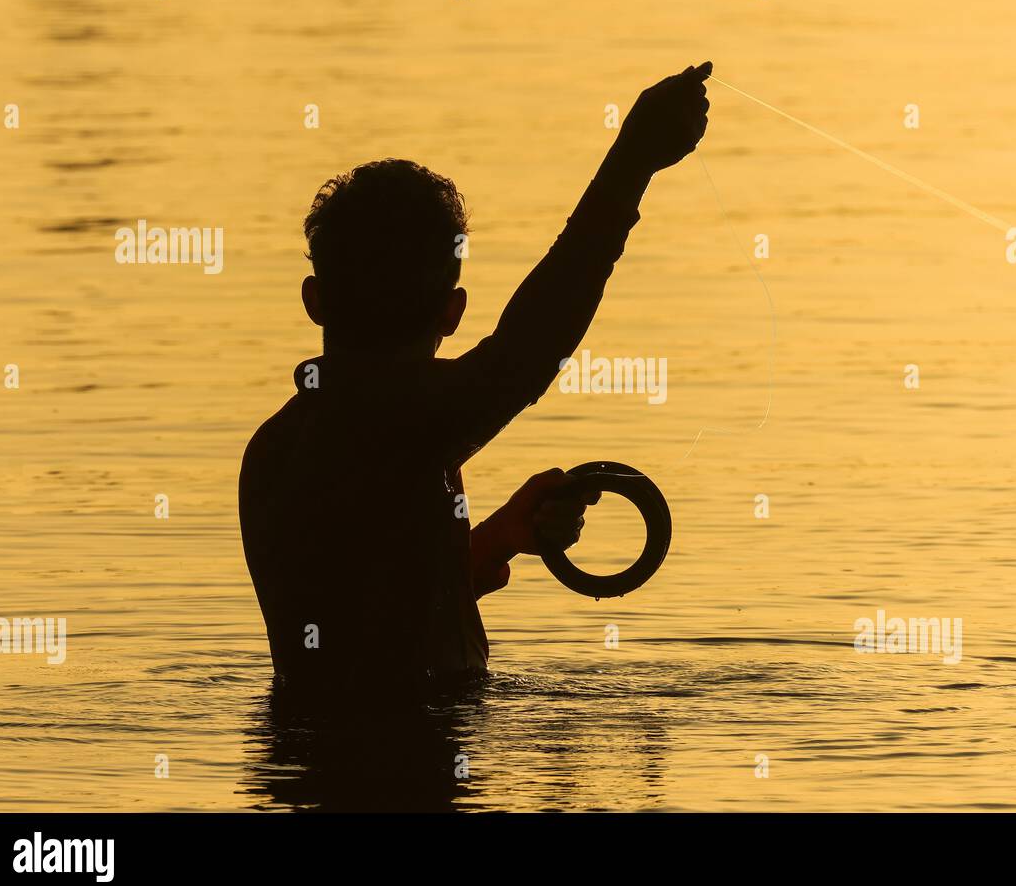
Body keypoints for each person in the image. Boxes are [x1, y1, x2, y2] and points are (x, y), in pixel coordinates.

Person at [239, 62, 712, 701]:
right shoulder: (413, 423)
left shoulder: (273, 448)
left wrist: (501, 537)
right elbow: (530, 346)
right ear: (452, 314)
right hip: (412, 760)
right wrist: (632, 159)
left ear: (314, 300)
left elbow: (372, 607)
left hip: (307, 770)